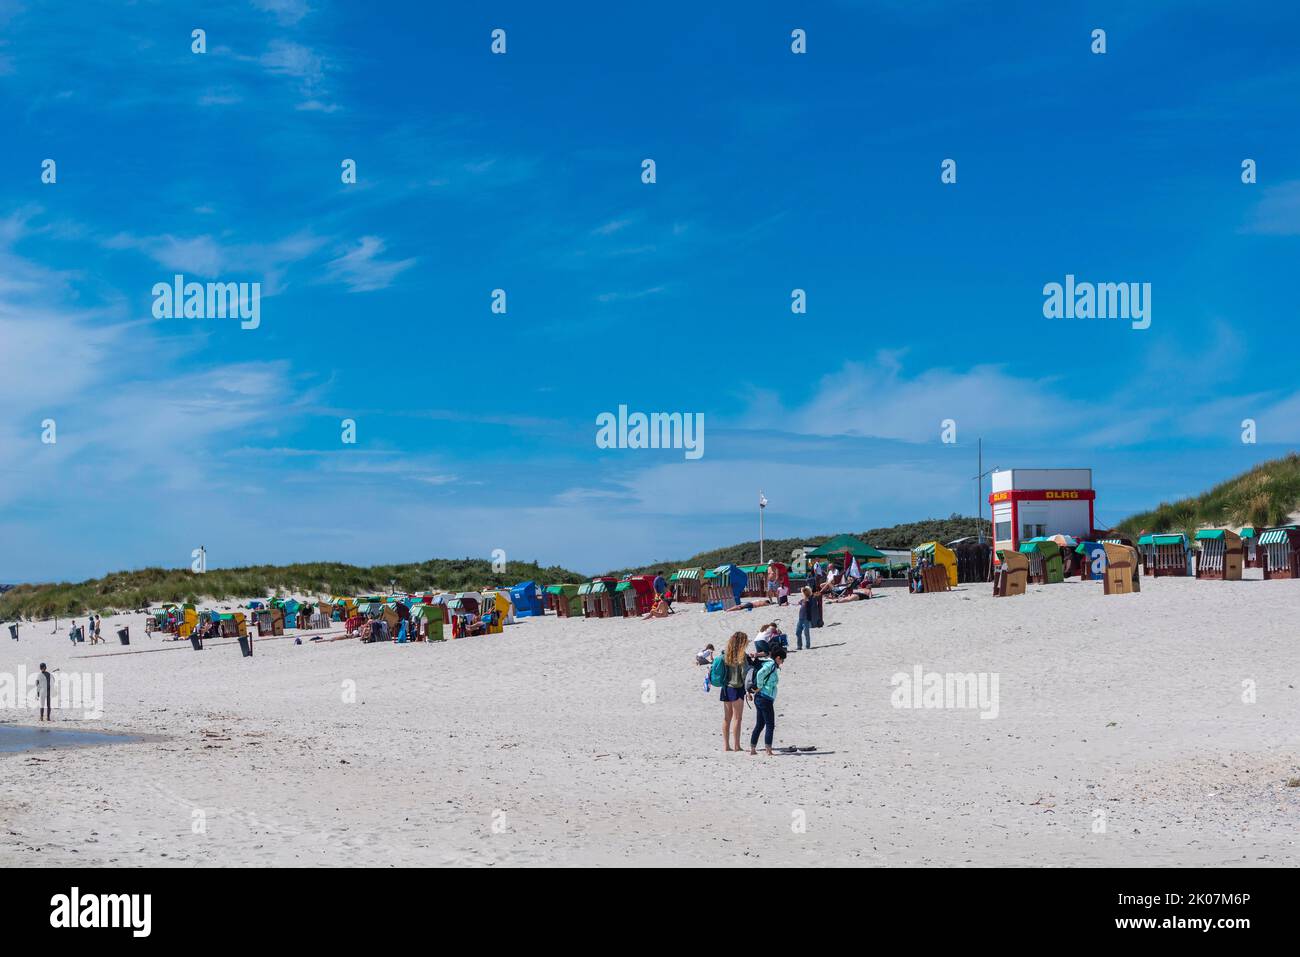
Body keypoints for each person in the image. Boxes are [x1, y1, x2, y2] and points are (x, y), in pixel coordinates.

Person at [712, 632, 749, 752]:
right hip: (737, 688)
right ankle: (737, 746)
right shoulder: (742, 655)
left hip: (725, 688)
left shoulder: (725, 654)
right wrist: (749, 688)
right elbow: (744, 674)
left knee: (727, 718)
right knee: (738, 718)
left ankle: (726, 746)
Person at [748, 645, 785, 756]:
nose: (782, 662)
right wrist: (759, 686)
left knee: (760, 724)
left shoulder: (768, 663)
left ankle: (753, 748)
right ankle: (768, 749)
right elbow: (760, 674)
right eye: (782, 660)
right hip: (765, 698)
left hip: (761, 697)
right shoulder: (771, 665)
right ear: (778, 658)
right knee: (770, 724)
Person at [795, 585, 814, 650]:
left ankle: (807, 646)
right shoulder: (803, 600)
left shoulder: (810, 600)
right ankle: (799, 646)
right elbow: (798, 603)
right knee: (798, 632)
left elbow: (809, 600)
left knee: (806, 633)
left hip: (806, 619)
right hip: (800, 618)